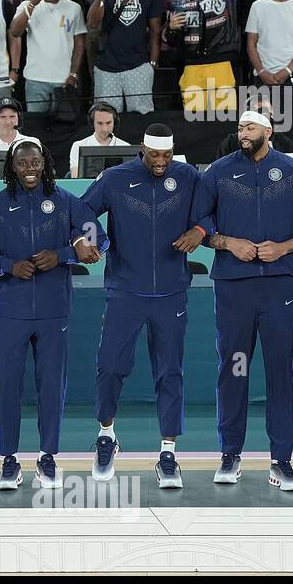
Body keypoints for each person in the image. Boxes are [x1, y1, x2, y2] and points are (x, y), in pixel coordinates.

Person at [189, 110, 293, 492]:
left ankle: (281, 461)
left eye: (249, 127)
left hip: (277, 289)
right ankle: (230, 454)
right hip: (233, 288)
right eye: (239, 128)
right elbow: (199, 223)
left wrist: (283, 247)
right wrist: (228, 242)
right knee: (235, 369)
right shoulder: (217, 172)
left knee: (281, 372)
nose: (242, 133)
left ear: (268, 131)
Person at [0, 140, 106, 490]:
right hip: (9, 310)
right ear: (11, 167)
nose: (29, 168)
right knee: (6, 385)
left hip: (52, 310)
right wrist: (7, 266)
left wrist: (62, 255)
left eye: (35, 161)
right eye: (22, 163)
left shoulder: (66, 202)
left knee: (50, 386)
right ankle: (9, 460)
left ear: (45, 162)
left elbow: (97, 237)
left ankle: (48, 459)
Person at [80, 123, 202, 488]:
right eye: (154, 156)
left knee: (169, 372)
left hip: (171, 292)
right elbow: (83, 211)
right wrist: (97, 243)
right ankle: (106, 435)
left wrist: (198, 230)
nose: (161, 162)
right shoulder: (116, 178)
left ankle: (168, 453)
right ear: (142, 150)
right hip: (125, 290)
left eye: (166, 155)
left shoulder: (189, 176)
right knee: (112, 366)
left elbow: (210, 212)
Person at [88, 0, 163, 114]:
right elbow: (92, 23)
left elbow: (155, 30)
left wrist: (152, 63)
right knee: (106, 118)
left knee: (141, 117)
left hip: (138, 65)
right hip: (107, 66)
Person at [10, 0, 86, 114]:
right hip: (35, 79)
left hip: (63, 80)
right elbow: (15, 32)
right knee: (36, 128)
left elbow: (79, 43)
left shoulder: (73, 8)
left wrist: (73, 73)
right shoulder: (26, 5)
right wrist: (32, 4)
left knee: (64, 127)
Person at [67, 102, 129, 177]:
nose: (104, 129)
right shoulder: (78, 146)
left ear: (114, 122)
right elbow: (76, 178)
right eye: (100, 123)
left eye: (108, 123)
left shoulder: (125, 146)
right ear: (92, 123)